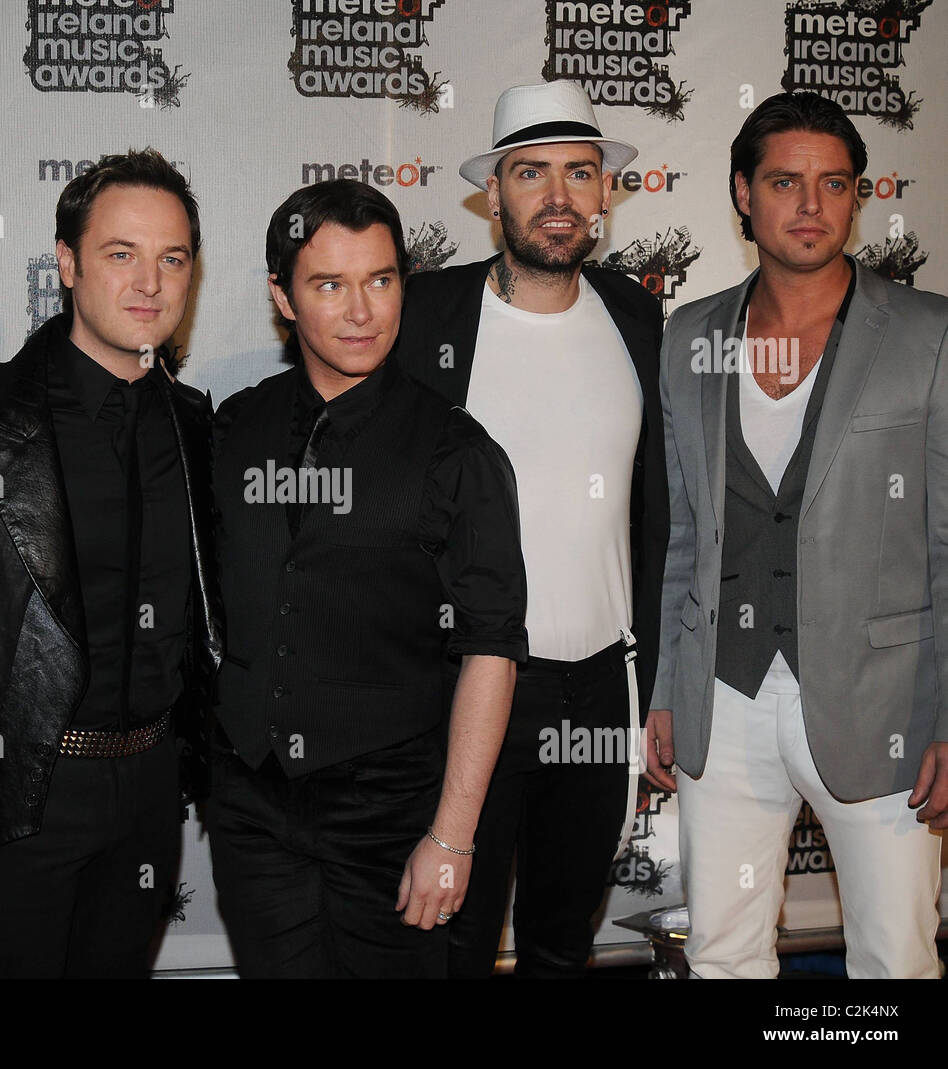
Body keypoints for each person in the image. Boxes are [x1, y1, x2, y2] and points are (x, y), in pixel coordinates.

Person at [646, 91, 948, 978]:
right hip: (725, 696)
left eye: (833, 184)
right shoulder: (689, 336)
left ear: (858, 195)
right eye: (785, 181)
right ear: (743, 193)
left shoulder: (930, 336)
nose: (811, 206)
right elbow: (683, 533)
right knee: (721, 953)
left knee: (896, 959)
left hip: (883, 701)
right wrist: (668, 685)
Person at [0, 149, 221, 978]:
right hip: (18, 794)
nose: (149, 281)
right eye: (121, 254)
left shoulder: (195, 423)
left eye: (173, 258)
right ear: (70, 263)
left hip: (152, 792)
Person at [206, 179, 526, 978]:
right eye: (329, 285)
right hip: (253, 805)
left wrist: (451, 835)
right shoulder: (233, 427)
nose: (362, 311)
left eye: (381, 281)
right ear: (282, 296)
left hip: (394, 813)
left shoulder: (458, 451)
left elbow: (493, 646)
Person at [395, 79, 669, 978]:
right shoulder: (426, 317)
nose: (558, 197)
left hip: (599, 691)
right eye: (531, 172)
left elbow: (656, 511)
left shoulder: (635, 314)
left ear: (603, 193)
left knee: (562, 940)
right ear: (493, 195)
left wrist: (656, 685)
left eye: (579, 173)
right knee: (453, 943)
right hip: (465, 689)